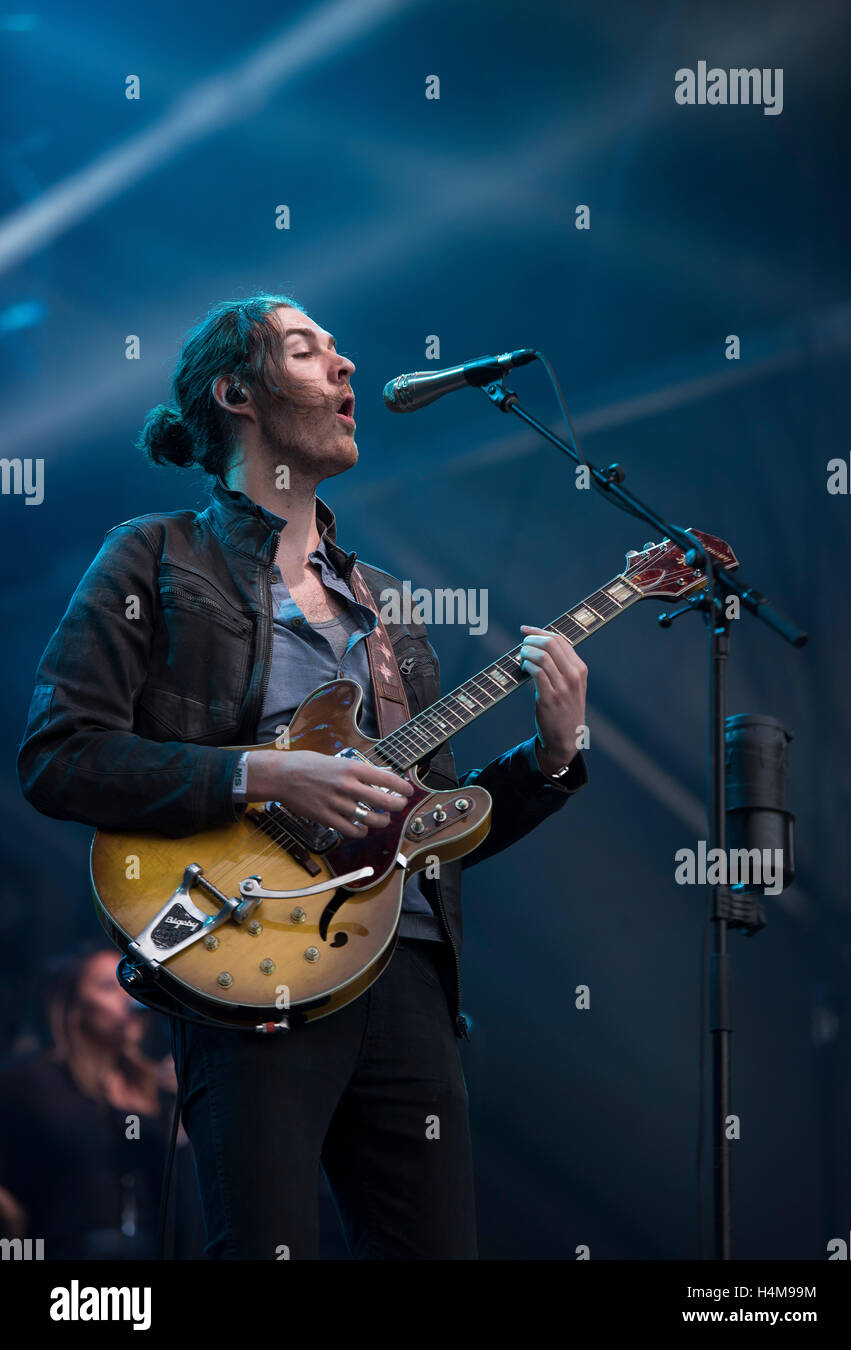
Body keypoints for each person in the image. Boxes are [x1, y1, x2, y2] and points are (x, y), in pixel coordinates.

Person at [17, 291, 589, 1259]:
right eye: (307, 349)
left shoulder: (388, 612)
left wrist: (552, 758)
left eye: (337, 350)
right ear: (238, 392)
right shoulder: (154, 558)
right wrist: (263, 775)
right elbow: (57, 755)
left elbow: (434, 825)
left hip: (406, 968)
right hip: (251, 950)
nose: (346, 366)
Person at [0, 944, 201, 1258]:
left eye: (131, 984)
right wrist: (14, 1239)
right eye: (109, 987)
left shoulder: (156, 1087)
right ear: (75, 1004)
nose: (128, 998)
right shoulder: (35, 1080)